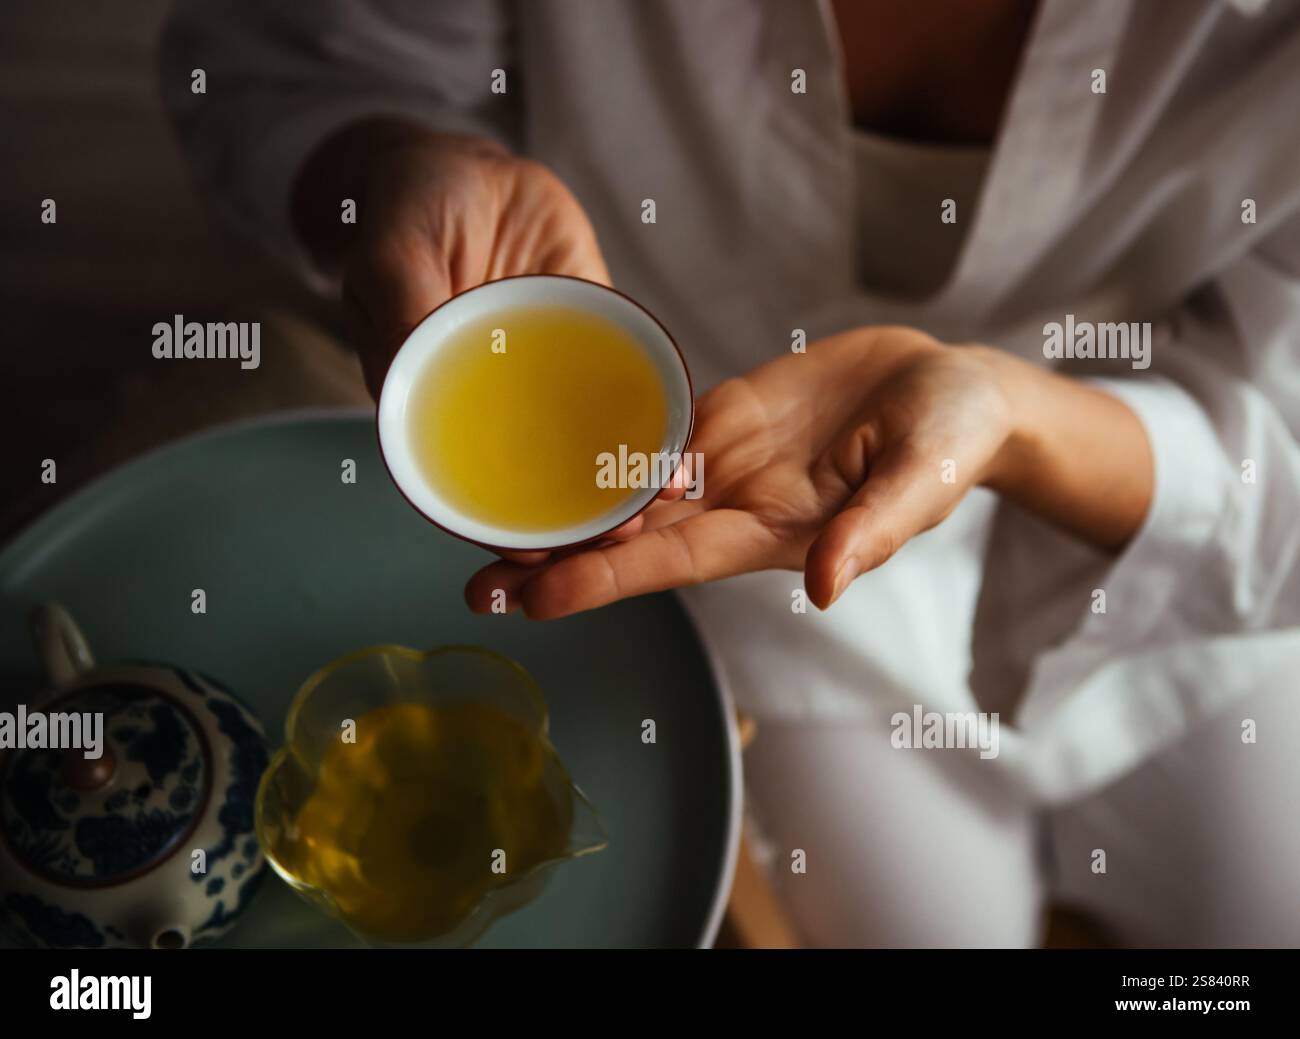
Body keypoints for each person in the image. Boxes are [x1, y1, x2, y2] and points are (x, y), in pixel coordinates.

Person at [162, 0, 1300, 946]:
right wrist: (393, 160)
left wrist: (1011, 423)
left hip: (1158, 471)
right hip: (743, 517)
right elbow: (290, 62)